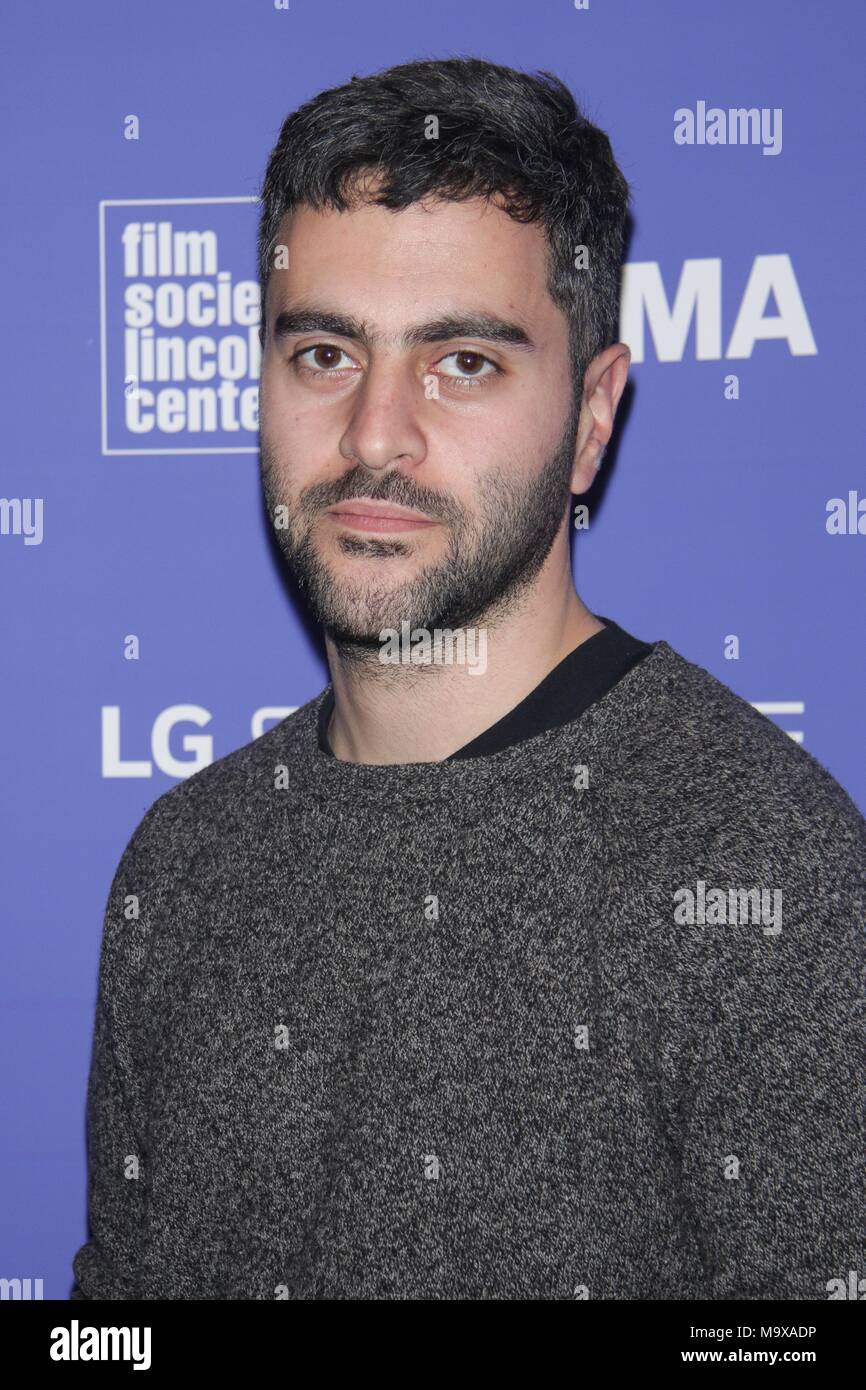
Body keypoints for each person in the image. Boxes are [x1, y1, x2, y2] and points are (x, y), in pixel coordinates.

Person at [72, 56, 865, 1300]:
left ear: (591, 420)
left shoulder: (758, 867)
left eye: (464, 362)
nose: (376, 433)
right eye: (325, 353)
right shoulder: (181, 861)